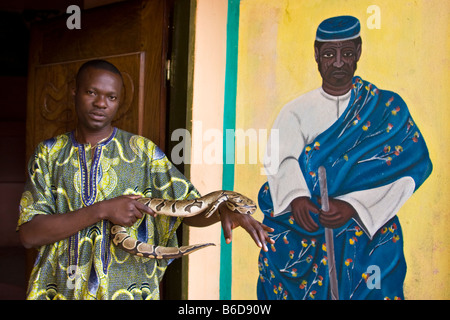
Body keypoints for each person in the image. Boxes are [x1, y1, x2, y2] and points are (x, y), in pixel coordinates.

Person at [18, 59, 273, 300]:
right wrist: (103, 209)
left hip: (130, 289)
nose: (101, 103)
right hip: (60, 289)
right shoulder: (48, 154)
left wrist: (221, 211)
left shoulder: (143, 152)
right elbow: (29, 234)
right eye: (91, 92)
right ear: (75, 92)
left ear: (118, 102)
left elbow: (187, 210)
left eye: (111, 97)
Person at [257, 16, 432, 300]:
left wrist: (353, 206)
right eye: (329, 54)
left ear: (358, 52)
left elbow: (411, 169)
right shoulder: (295, 111)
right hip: (307, 230)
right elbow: (280, 160)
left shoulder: (387, 109)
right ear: (316, 54)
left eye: (347, 53)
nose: (338, 63)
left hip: (369, 236)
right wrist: (297, 198)